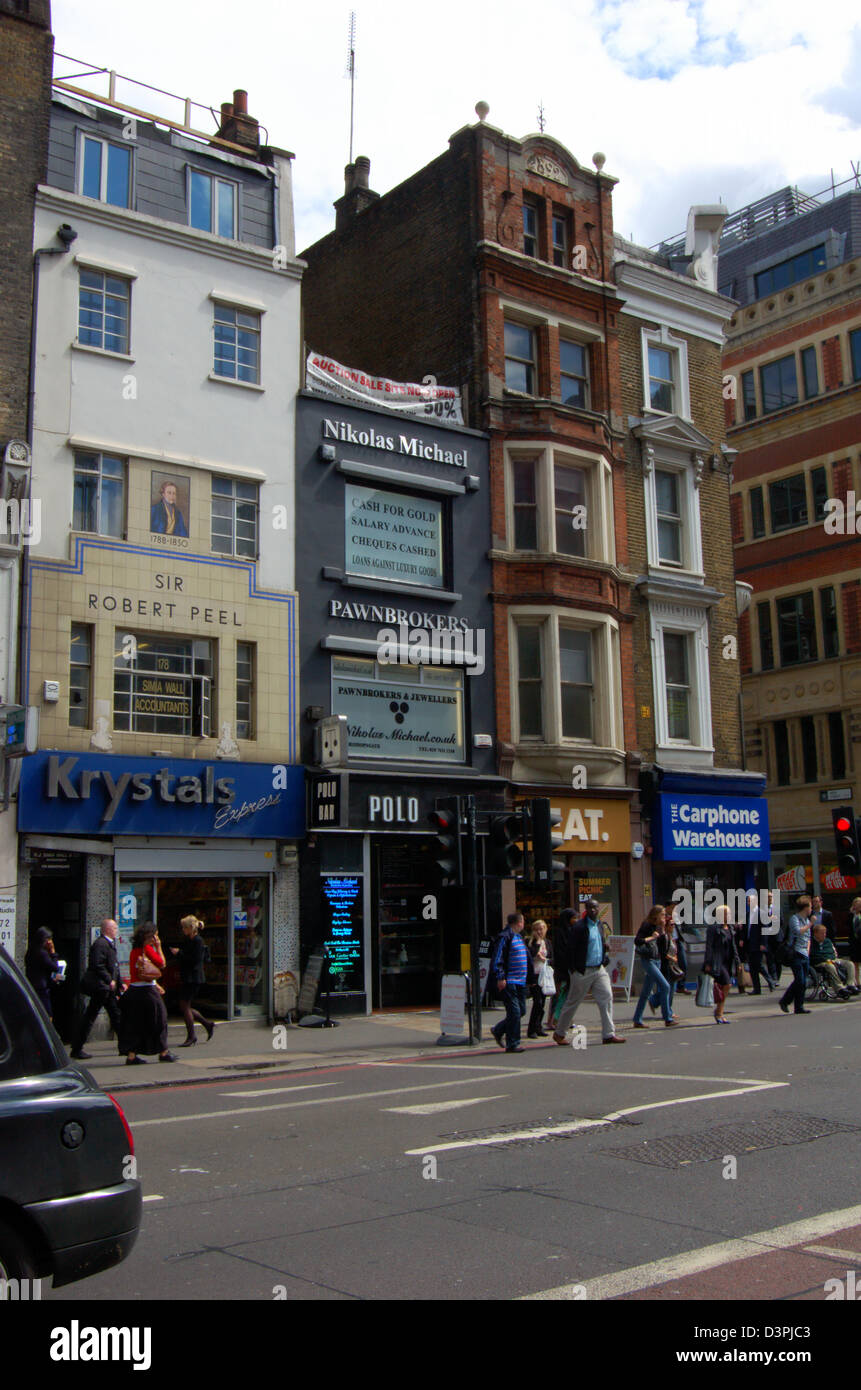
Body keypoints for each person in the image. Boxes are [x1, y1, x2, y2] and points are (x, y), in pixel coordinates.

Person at [552, 900, 627, 1045]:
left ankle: (608, 1034)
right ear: (586, 910)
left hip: (599, 968)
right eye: (590, 908)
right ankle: (559, 1033)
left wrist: (604, 955)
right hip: (582, 970)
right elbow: (570, 949)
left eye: (595, 907)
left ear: (598, 909)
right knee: (573, 1001)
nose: (593, 910)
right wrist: (573, 970)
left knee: (606, 996)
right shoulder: (579, 927)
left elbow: (599, 942)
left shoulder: (599, 925)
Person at [120, 923, 177, 1065]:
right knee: (160, 1019)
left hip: (134, 990)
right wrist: (158, 947)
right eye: (155, 935)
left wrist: (156, 985)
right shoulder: (148, 949)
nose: (157, 938)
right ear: (150, 936)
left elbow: (138, 974)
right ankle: (164, 1052)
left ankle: (132, 1055)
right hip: (147, 992)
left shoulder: (134, 950)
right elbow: (162, 963)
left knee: (137, 1023)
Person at [70, 919, 125, 1059]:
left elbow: (114, 966)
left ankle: (125, 1047)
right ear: (107, 929)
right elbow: (97, 964)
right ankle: (77, 1048)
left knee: (115, 1015)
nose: (116, 930)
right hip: (101, 987)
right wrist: (109, 980)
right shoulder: (101, 944)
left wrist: (119, 982)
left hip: (106, 988)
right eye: (114, 928)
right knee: (94, 1016)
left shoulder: (109, 944)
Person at [169, 915, 215, 1046]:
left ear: (190, 928)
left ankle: (192, 1035)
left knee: (184, 1005)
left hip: (194, 978)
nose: (183, 930)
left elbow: (195, 959)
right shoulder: (189, 940)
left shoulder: (198, 941)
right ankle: (207, 1024)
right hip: (188, 976)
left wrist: (179, 953)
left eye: (184, 927)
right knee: (185, 1006)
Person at [632, 906, 678, 1029]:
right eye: (662, 914)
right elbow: (637, 941)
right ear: (656, 915)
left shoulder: (659, 926)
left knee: (646, 992)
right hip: (648, 959)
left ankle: (637, 1019)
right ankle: (667, 1017)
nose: (664, 917)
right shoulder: (647, 925)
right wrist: (651, 937)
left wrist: (662, 928)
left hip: (657, 959)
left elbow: (662, 943)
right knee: (665, 986)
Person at [489, 913, 529, 1053]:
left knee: (521, 1010)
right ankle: (513, 1043)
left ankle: (498, 1030)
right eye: (523, 921)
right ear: (519, 922)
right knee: (515, 1011)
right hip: (509, 980)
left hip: (521, 981)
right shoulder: (504, 937)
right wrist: (500, 977)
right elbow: (497, 958)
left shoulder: (519, 937)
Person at [704, 904, 739, 1024]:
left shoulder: (730, 928)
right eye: (726, 913)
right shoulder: (713, 928)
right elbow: (709, 946)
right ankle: (719, 1012)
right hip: (717, 962)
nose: (728, 916)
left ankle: (719, 1012)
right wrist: (707, 962)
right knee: (727, 984)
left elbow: (733, 946)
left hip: (728, 961)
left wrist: (737, 961)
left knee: (724, 986)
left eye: (729, 913)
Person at [779, 896, 813, 1016]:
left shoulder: (807, 920)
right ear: (805, 907)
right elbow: (798, 931)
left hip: (804, 953)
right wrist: (810, 925)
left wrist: (808, 950)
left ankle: (799, 1006)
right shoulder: (795, 918)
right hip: (795, 953)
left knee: (803, 982)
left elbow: (808, 937)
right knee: (800, 980)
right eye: (810, 906)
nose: (811, 909)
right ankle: (785, 1001)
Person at [649, 905, 683, 1017]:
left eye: (674, 924)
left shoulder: (670, 936)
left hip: (672, 965)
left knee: (669, 988)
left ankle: (659, 1004)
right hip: (666, 966)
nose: (673, 926)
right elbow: (663, 953)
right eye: (671, 924)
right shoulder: (664, 936)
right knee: (668, 988)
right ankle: (666, 1010)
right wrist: (672, 958)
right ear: (667, 925)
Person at [810, 924, 859, 998]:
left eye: (825, 933)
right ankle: (840, 988)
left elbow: (832, 952)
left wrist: (831, 958)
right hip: (820, 962)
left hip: (832, 959)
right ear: (815, 933)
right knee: (830, 966)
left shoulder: (827, 941)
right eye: (822, 933)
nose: (824, 935)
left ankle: (850, 984)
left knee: (850, 964)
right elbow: (814, 955)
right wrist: (827, 959)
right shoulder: (811, 943)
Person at [24, 926, 63, 1020]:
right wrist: (53, 952)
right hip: (41, 988)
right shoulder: (42, 953)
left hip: (31, 985)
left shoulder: (31, 950)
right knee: (48, 1016)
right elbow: (55, 967)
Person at [745, 890, 775, 995]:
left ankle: (770, 981)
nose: (749, 903)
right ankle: (756, 989)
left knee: (758, 965)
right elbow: (747, 928)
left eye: (751, 901)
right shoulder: (748, 914)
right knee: (752, 967)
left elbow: (764, 929)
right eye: (748, 901)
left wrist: (763, 943)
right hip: (750, 944)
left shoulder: (761, 913)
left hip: (758, 944)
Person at [525, 919, 551, 1038]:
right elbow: (530, 955)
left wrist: (546, 960)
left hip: (544, 975)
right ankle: (531, 1029)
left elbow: (552, 958)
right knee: (537, 1002)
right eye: (537, 929)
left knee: (543, 1002)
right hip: (534, 975)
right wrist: (537, 944)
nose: (540, 931)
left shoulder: (548, 942)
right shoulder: (530, 942)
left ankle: (538, 1027)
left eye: (542, 929)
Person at [848, 896, 861, 989]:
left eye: (859, 905)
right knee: (855, 963)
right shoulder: (851, 916)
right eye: (855, 905)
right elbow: (848, 926)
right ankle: (858, 982)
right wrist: (851, 913)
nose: (857, 907)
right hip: (854, 943)